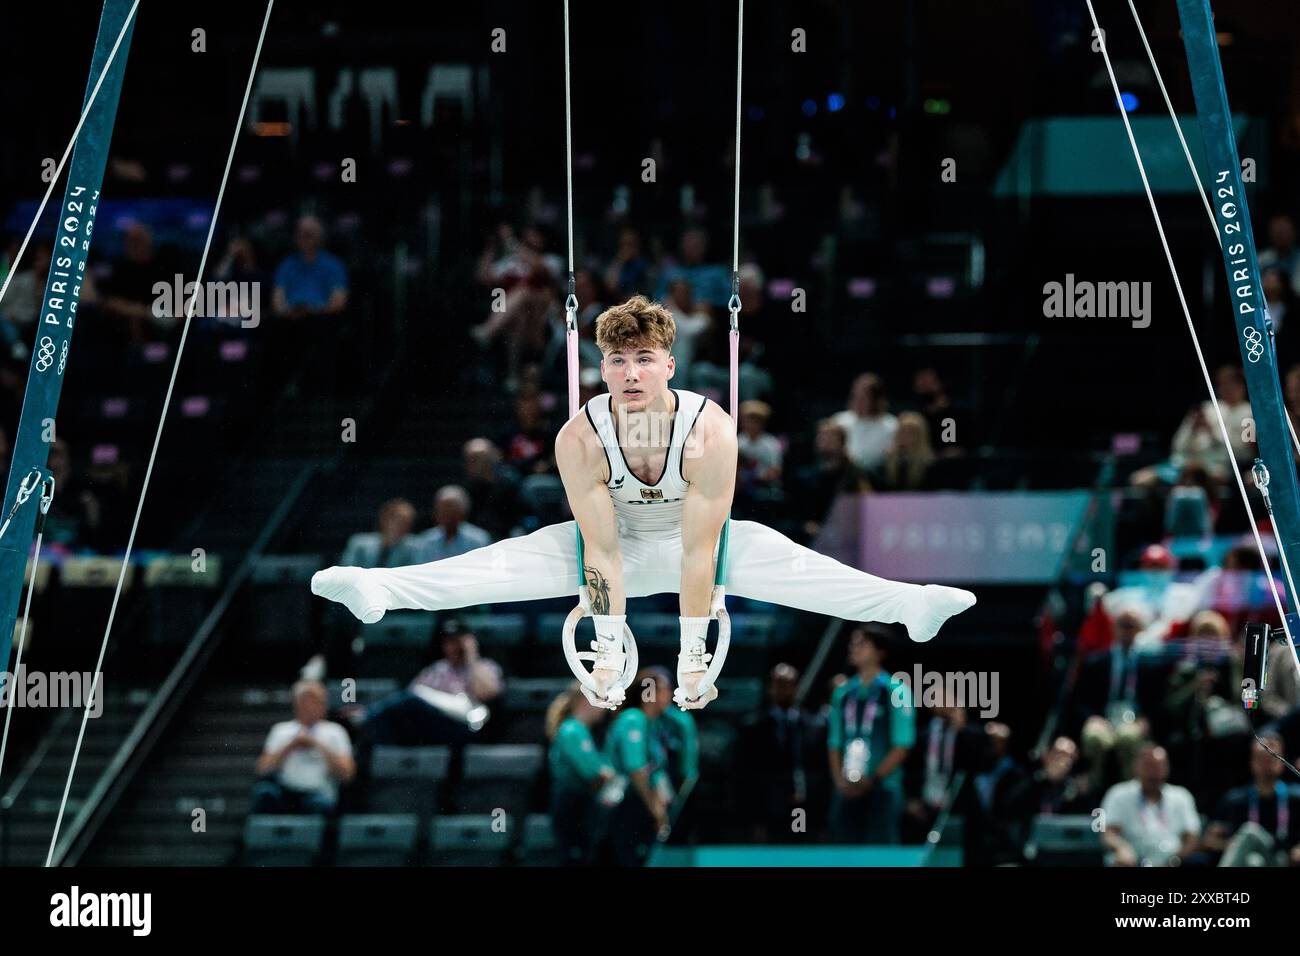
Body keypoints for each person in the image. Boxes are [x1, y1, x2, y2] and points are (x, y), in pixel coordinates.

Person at [311, 296, 976, 712]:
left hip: (702, 549)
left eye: (644, 358)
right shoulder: (581, 435)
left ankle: (910, 604)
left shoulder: (708, 429)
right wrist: (605, 650)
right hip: (611, 549)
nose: (629, 372)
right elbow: (599, 548)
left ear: (669, 366)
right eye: (618, 359)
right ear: (602, 367)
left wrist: (692, 658)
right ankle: (380, 588)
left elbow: (697, 546)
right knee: (503, 563)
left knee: (790, 563)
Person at [826, 626, 915, 844]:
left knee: (880, 855)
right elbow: (834, 742)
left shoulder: (896, 690)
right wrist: (839, 781)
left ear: (879, 651)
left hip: (883, 788)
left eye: (861, 644)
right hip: (846, 788)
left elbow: (903, 744)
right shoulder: (843, 692)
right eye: (852, 643)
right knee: (842, 853)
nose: (853, 648)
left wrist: (872, 780)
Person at [601, 667, 674, 866]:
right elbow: (637, 771)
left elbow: (655, 770)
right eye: (664, 689)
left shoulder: (654, 725)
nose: (670, 694)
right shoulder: (633, 719)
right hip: (626, 804)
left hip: (640, 804)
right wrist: (657, 811)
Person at [251, 680, 356, 814]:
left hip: (318, 793)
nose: (321, 706)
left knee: (318, 803)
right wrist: (291, 746)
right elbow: (262, 769)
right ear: (298, 703)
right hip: (286, 791)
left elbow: (347, 774)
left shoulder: (335, 732)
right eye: (313, 701)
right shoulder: (281, 730)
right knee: (264, 792)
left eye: (322, 701)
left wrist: (317, 744)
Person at [545, 683, 616, 866]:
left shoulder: (581, 730)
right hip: (571, 804)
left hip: (580, 802)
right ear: (586, 700)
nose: (604, 707)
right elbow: (594, 771)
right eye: (600, 701)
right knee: (574, 857)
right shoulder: (571, 730)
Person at [1100, 744, 1201, 867]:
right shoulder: (1118, 794)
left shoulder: (1181, 796)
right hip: (1134, 861)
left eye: (1160, 767)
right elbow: (1108, 834)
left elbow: (1192, 839)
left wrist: (1175, 860)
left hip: (1173, 862)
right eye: (1149, 766)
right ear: (1136, 767)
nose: (1155, 773)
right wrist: (1122, 848)